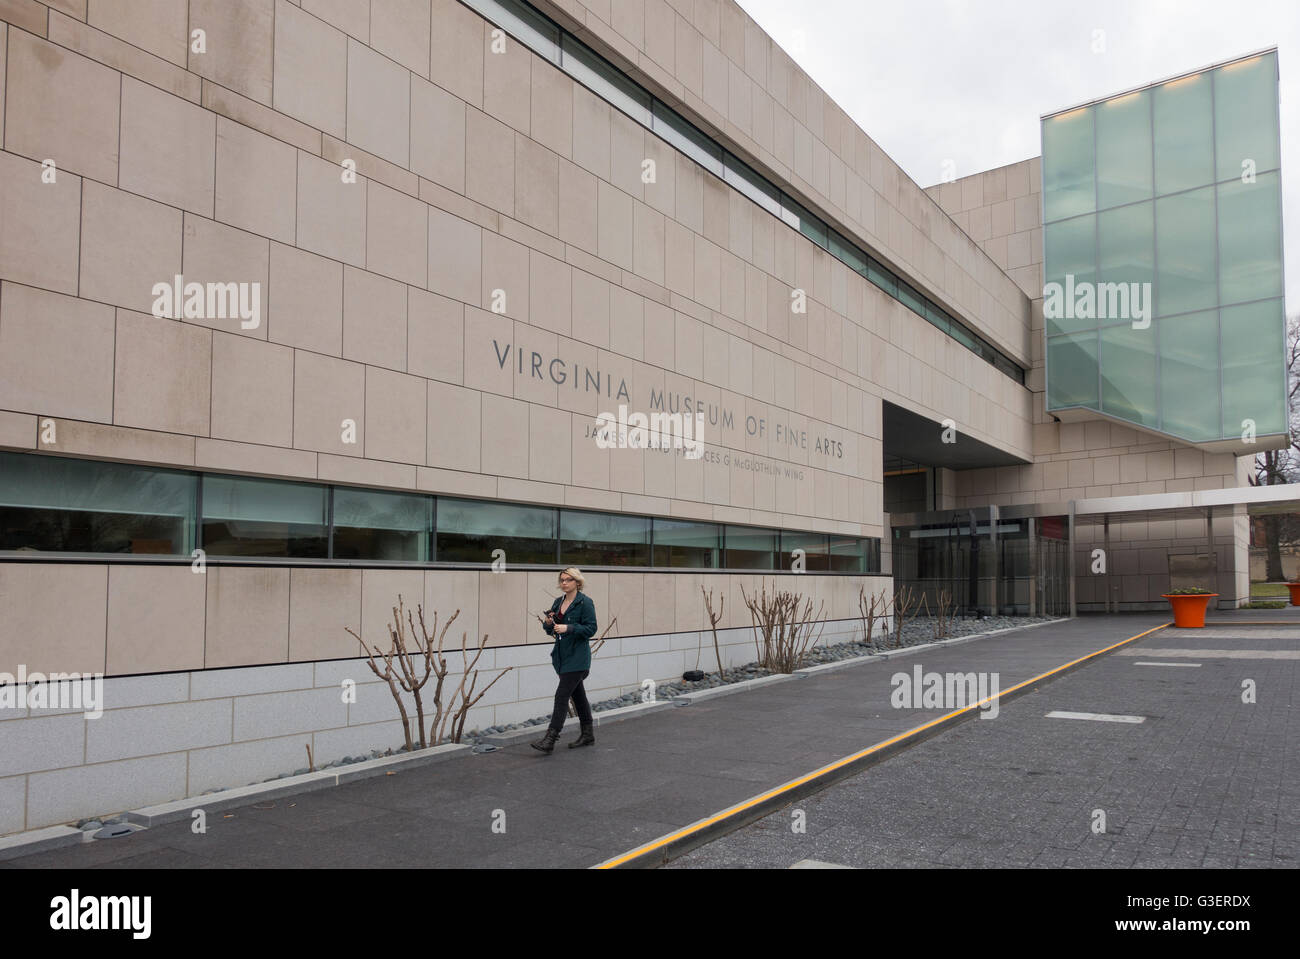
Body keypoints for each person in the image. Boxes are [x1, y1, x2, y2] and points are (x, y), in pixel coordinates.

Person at [531, 567, 598, 754]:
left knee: (561, 696)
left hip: (578, 657)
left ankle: (550, 739)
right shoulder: (557, 602)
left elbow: (591, 628)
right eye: (562, 580)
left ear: (577, 582)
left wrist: (568, 628)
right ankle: (588, 734)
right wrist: (548, 624)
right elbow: (551, 630)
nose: (564, 583)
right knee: (578, 696)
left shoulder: (585, 603)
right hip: (562, 656)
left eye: (568, 580)